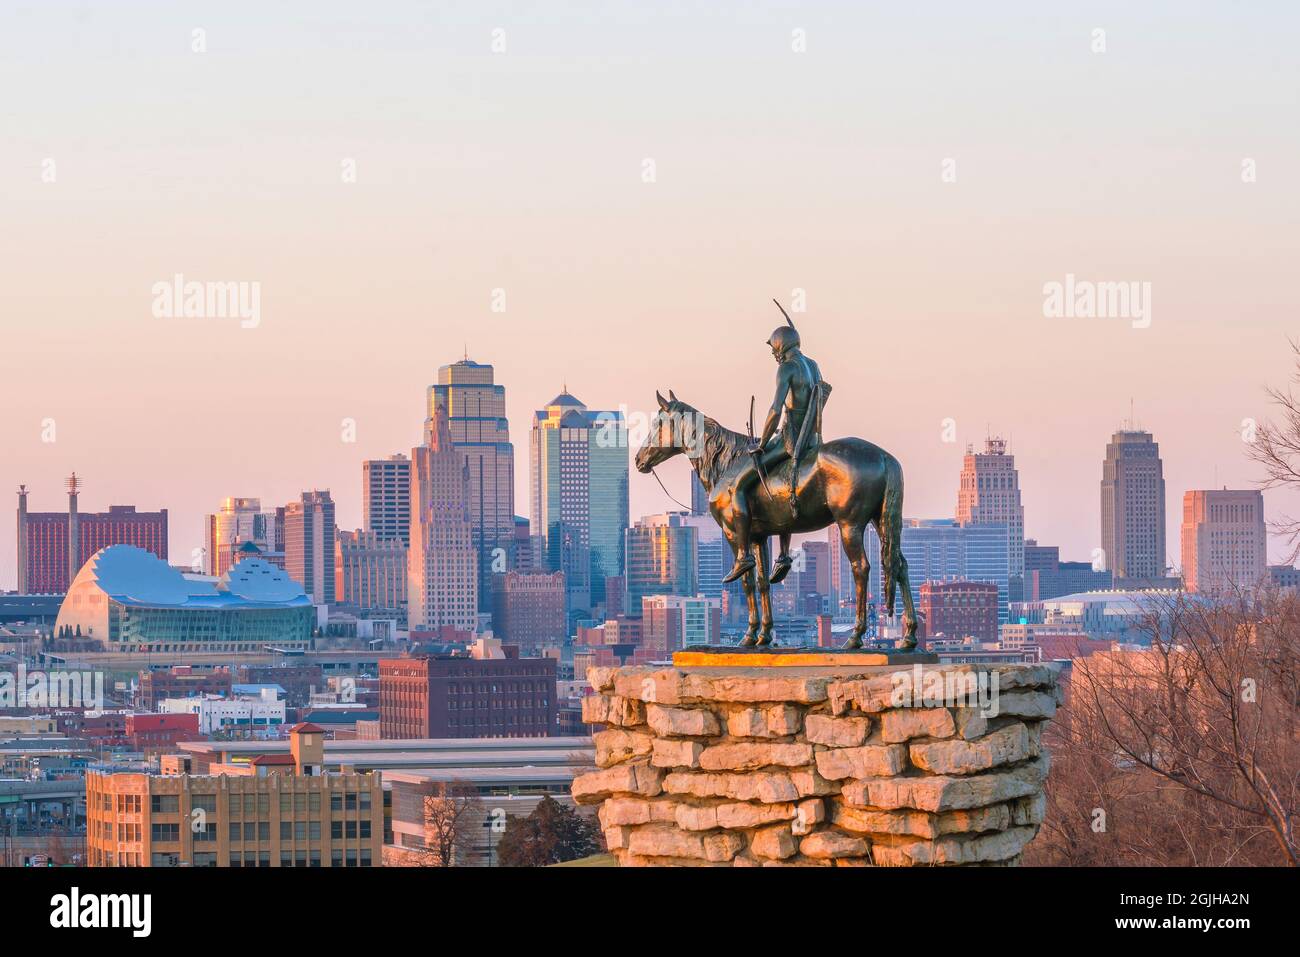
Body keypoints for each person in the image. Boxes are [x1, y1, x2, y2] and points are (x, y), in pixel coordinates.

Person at [721, 311, 831, 584]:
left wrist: (761, 442)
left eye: (773, 348)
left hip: (790, 439)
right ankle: (782, 555)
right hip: (813, 440)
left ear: (781, 344)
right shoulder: (813, 365)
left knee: (739, 486)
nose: (772, 354)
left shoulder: (787, 368)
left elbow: (775, 409)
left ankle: (744, 554)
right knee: (777, 487)